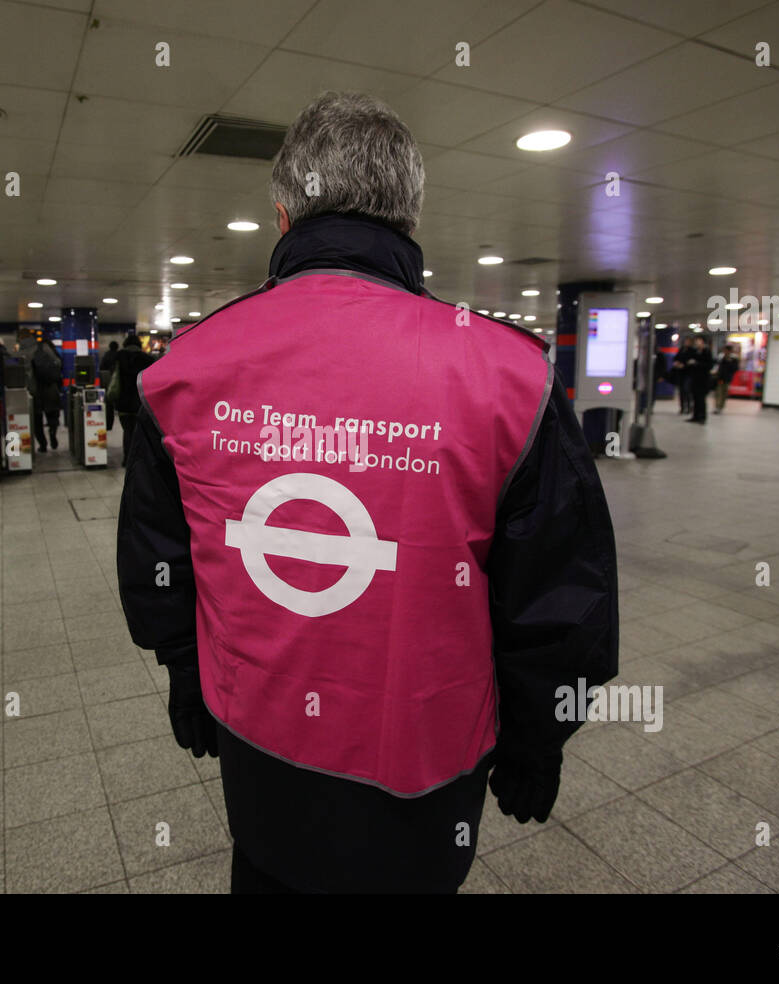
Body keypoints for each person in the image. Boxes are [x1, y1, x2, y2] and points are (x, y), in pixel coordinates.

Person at [116, 91, 619, 894]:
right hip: (426, 768)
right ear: (408, 220)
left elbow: (158, 557)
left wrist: (183, 668)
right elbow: (559, 592)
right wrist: (539, 738)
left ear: (283, 217)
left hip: (259, 746)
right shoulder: (509, 377)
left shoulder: (184, 371)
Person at [111, 334, 154, 465]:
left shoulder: (118, 357)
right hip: (140, 402)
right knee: (138, 431)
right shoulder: (147, 359)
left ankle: (127, 458)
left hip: (123, 402)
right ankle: (138, 459)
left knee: (127, 430)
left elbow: (112, 377)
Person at [31, 338, 64, 452]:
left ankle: (43, 444)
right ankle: (52, 432)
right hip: (52, 390)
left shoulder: (34, 354)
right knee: (53, 417)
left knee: (37, 421)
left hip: (38, 391)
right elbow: (60, 373)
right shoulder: (54, 354)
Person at [684, 335, 714, 424]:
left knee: (701, 399)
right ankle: (695, 416)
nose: (697, 343)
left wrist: (697, 363)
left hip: (703, 380)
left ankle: (702, 417)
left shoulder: (707, 352)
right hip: (695, 379)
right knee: (695, 398)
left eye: (699, 341)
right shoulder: (695, 352)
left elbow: (709, 365)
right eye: (696, 341)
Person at [713, 343, 740, 414]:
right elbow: (716, 365)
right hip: (720, 378)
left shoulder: (733, 359)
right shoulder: (721, 357)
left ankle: (721, 406)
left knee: (724, 393)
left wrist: (729, 362)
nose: (725, 352)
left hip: (727, 378)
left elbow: (735, 369)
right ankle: (717, 406)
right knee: (718, 392)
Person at [100, 340, 121, 430]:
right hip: (119, 383)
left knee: (109, 406)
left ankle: (108, 425)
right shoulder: (119, 356)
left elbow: (101, 368)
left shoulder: (106, 355)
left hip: (108, 383)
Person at [670, 339, 693, 415]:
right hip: (681, 374)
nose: (686, 343)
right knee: (681, 391)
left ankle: (689, 407)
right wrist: (676, 363)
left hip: (688, 374)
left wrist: (684, 365)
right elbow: (676, 358)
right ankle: (682, 407)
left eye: (688, 342)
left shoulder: (692, 351)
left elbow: (691, 362)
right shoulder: (681, 350)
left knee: (687, 391)